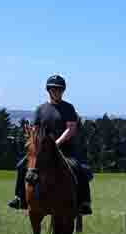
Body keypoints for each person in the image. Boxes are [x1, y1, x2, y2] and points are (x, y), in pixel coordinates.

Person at [8, 74, 92, 215]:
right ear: (49, 90)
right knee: (21, 166)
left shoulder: (68, 108)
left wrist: (56, 143)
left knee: (79, 168)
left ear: (63, 91)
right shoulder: (40, 109)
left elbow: (71, 128)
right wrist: (34, 141)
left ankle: (84, 202)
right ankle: (20, 198)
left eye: (59, 89)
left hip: (64, 149)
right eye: (53, 89)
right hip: (42, 150)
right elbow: (35, 130)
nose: (56, 92)